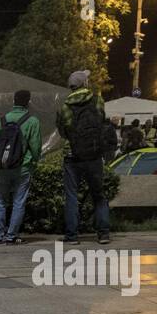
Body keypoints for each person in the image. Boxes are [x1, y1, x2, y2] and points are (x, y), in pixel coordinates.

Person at [56, 69, 110, 246]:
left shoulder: (65, 106)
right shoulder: (97, 100)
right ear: (85, 84)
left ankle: (72, 236)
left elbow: (63, 131)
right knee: (98, 195)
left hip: (72, 155)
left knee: (71, 195)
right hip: (94, 154)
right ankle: (103, 234)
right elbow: (101, 121)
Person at [0, 89, 41, 246]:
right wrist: (33, 162)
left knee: (0, 202)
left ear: (13, 101)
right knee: (19, 202)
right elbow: (36, 147)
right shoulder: (32, 121)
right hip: (23, 168)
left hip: (3, 168)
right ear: (28, 102)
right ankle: (11, 236)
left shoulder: (1, 121)